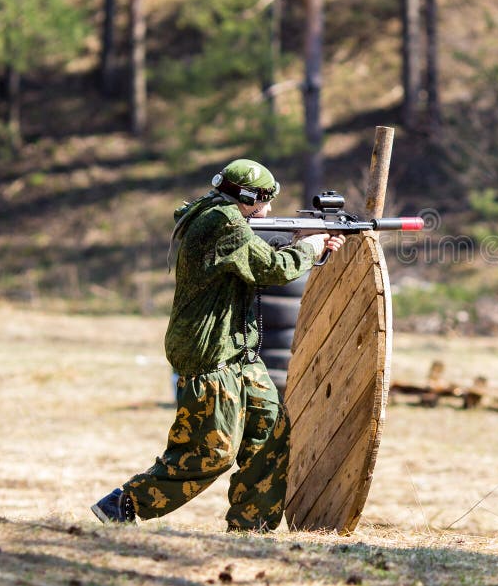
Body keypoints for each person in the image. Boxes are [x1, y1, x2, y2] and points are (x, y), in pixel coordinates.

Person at [91, 158, 345, 530]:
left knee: (270, 431)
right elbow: (272, 269)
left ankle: (251, 526)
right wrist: (308, 248)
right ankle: (122, 505)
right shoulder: (221, 221)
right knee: (211, 453)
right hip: (210, 354)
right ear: (245, 197)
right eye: (264, 200)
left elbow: (256, 257)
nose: (269, 209)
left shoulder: (221, 216)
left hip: (239, 353)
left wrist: (304, 244)